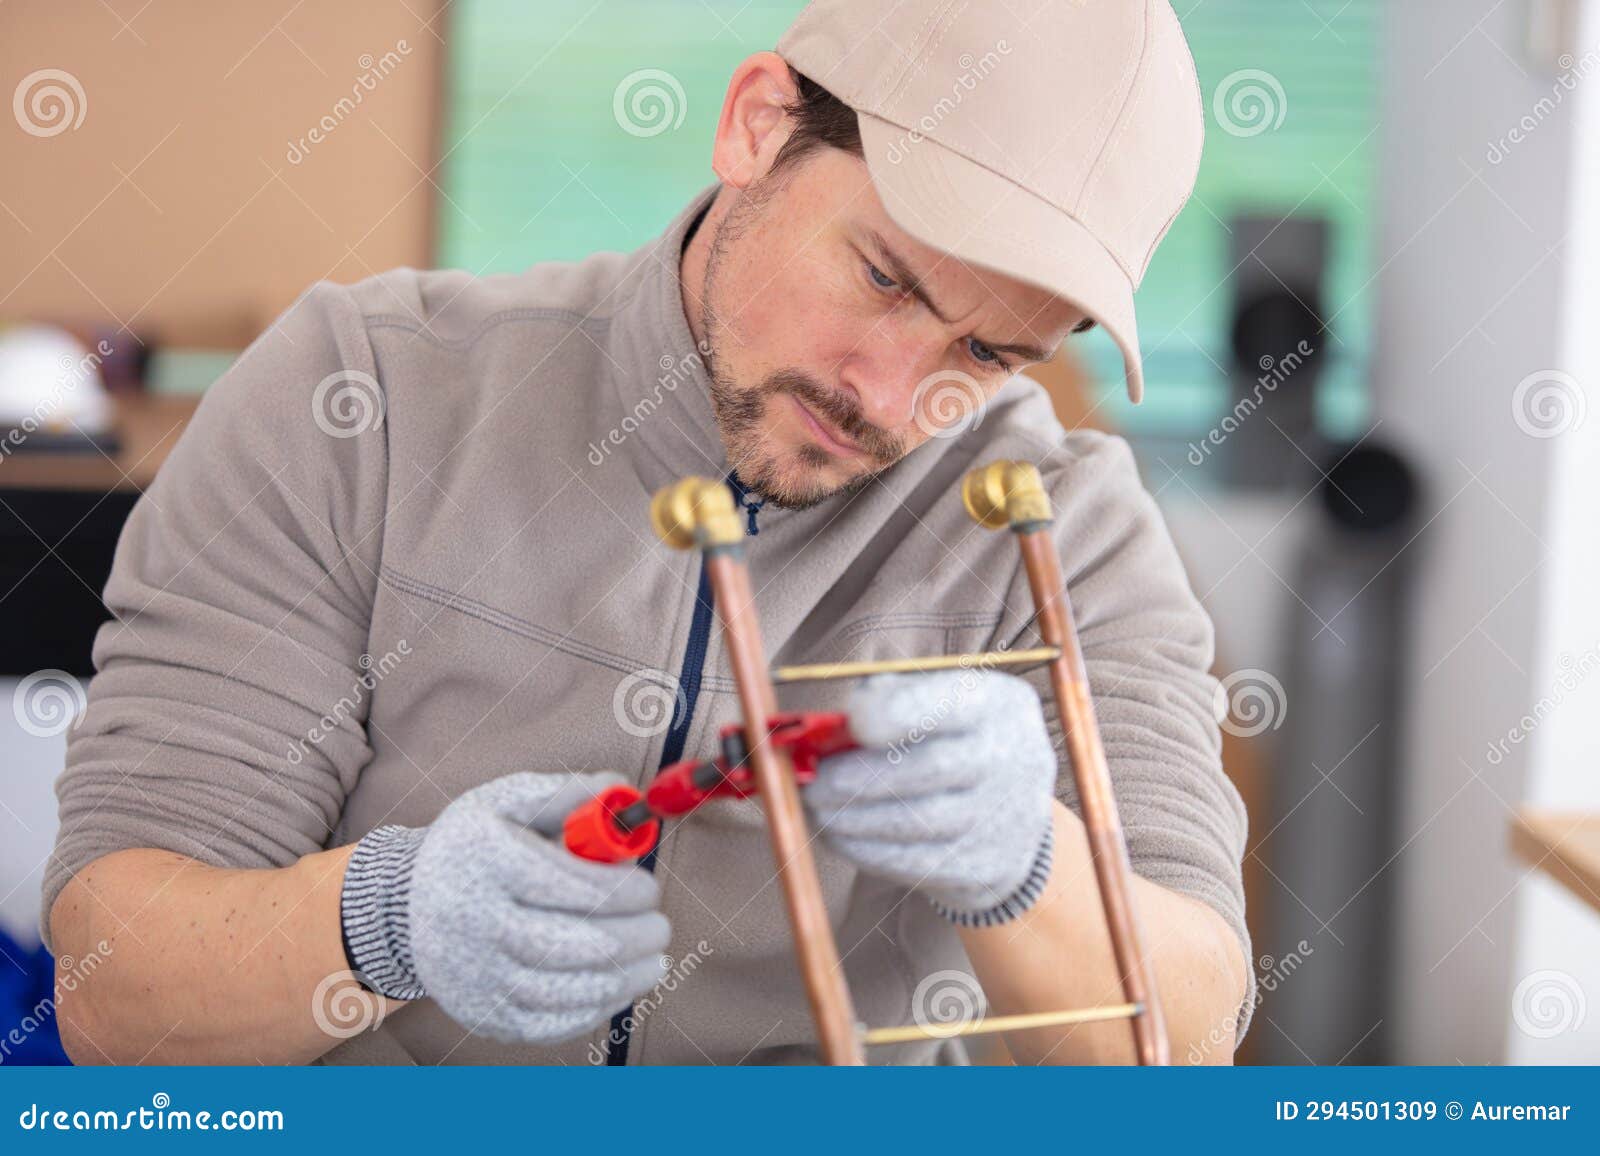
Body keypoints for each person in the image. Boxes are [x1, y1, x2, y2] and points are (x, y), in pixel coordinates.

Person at [45, 0, 1250, 1066]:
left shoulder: (1065, 524)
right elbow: (113, 997)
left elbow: (1191, 1035)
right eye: (885, 279)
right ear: (760, 125)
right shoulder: (354, 397)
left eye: (984, 354)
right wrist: (379, 921)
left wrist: (1027, 865)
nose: (888, 398)